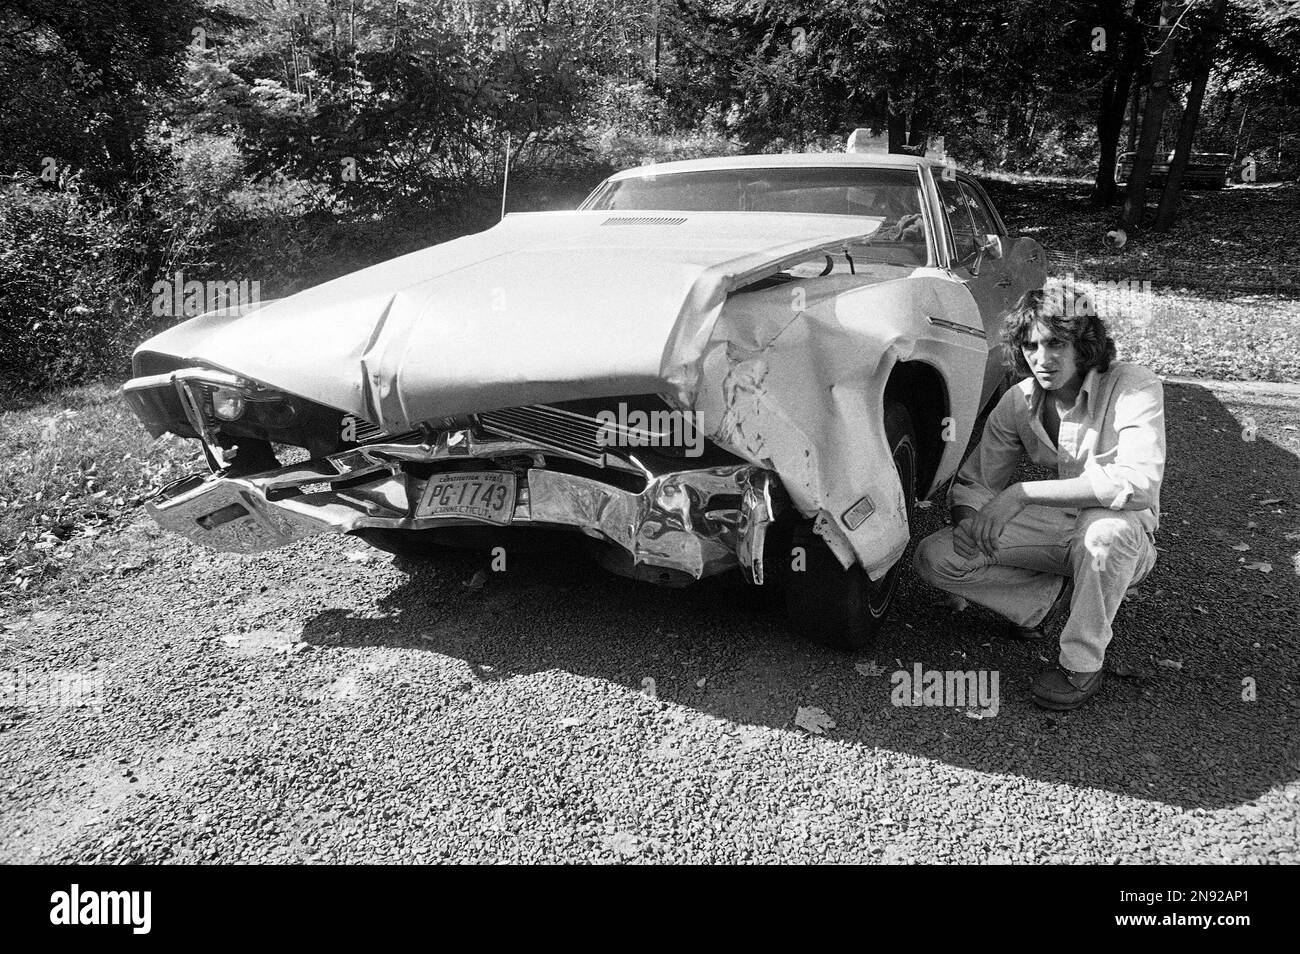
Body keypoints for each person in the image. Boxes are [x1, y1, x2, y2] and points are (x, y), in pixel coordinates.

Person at [913, 282, 1166, 710]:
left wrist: (1022, 492)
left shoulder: (1134, 386)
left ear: (1085, 345)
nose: (1042, 359)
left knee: (1102, 535)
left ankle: (1081, 664)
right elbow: (976, 482)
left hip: (1120, 532)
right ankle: (1048, 603)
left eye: (1055, 344)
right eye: (1031, 346)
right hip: (1055, 529)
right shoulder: (1019, 400)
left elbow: (1137, 484)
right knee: (936, 557)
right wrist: (967, 525)